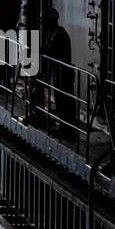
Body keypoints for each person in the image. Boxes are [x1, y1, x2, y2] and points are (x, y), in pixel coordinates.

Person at [42, 7, 76, 136]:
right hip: (59, 72)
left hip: (64, 73)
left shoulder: (58, 35)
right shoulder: (53, 33)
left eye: (44, 21)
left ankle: (68, 131)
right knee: (61, 103)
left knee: (65, 103)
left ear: (50, 21)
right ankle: (64, 129)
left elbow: (52, 51)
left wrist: (39, 51)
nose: (43, 24)